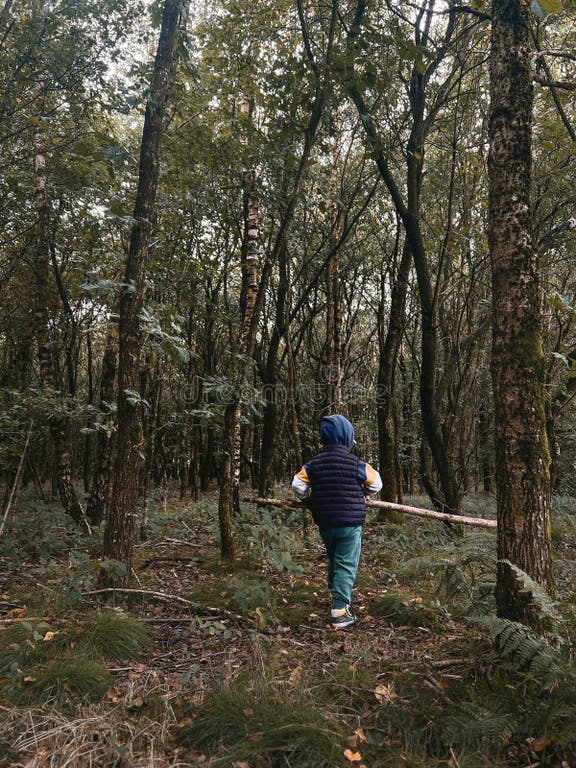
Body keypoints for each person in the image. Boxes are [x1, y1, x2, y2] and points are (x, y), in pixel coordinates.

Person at [291, 414, 382, 628]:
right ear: (348, 439)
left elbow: (297, 485)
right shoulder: (357, 464)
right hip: (350, 523)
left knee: (333, 556)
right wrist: (366, 493)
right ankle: (340, 611)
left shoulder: (313, 464)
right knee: (346, 563)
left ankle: (334, 591)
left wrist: (306, 499)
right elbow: (376, 483)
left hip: (325, 522)